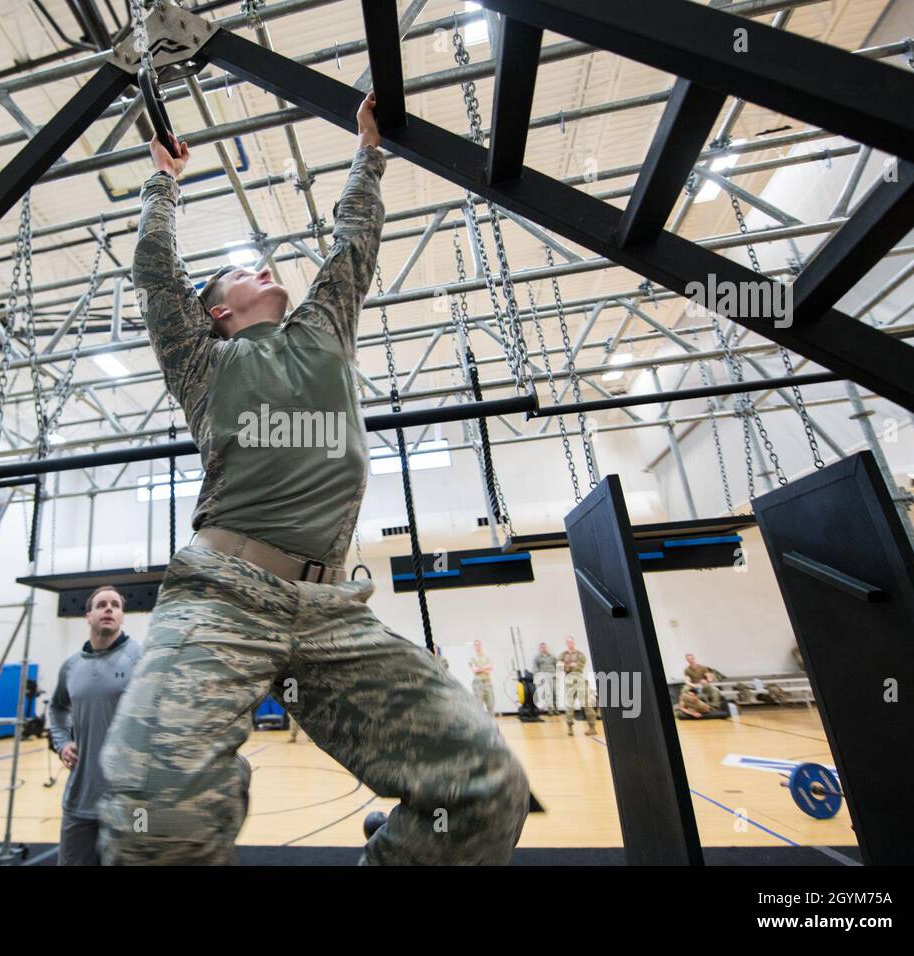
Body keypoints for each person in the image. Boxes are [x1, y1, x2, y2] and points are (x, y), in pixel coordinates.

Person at [97, 92, 530, 866]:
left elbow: (354, 241)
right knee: (155, 809)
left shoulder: (323, 326)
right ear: (217, 313)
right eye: (240, 273)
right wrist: (162, 183)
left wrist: (369, 153)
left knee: (484, 786)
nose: (261, 267)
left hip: (329, 609)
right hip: (223, 592)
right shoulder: (203, 362)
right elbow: (157, 274)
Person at [50, 585, 143, 866]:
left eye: (115, 605)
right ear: (88, 616)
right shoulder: (71, 666)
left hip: (129, 801)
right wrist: (62, 743)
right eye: (101, 605)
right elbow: (57, 708)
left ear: (122, 616)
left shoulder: (142, 659)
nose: (109, 609)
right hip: (80, 797)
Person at [558, 637, 596, 737]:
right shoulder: (563, 655)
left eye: (571, 642)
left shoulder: (580, 655)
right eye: (567, 642)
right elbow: (559, 666)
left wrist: (567, 665)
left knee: (586, 704)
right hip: (569, 682)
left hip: (579, 680)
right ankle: (570, 727)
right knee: (569, 706)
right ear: (566, 643)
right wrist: (570, 666)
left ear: (573, 642)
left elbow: (579, 667)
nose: (569, 643)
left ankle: (592, 727)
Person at [470, 639, 496, 716]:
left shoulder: (487, 657)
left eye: (478, 644)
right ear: (474, 647)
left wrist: (479, 668)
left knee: (491, 705)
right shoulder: (472, 658)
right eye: (475, 645)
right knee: (479, 707)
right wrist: (485, 667)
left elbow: (489, 670)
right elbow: (474, 670)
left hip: (488, 683)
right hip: (477, 684)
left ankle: (491, 723)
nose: (477, 646)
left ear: (481, 645)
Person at [532, 642, 557, 715]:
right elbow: (535, 668)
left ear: (547, 648)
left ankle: (556, 709)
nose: (544, 648)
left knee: (555, 692)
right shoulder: (537, 658)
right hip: (544, 676)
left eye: (545, 647)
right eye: (542, 647)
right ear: (540, 649)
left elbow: (557, 665)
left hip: (553, 676)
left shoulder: (552, 656)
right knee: (548, 693)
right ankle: (550, 709)